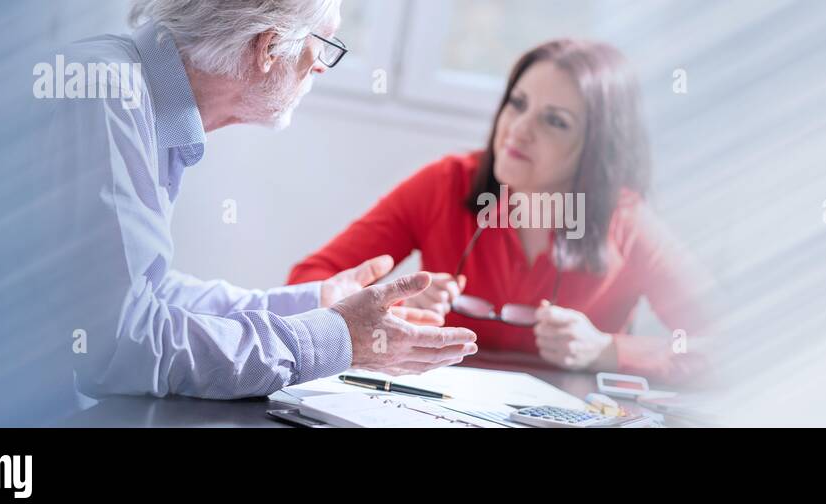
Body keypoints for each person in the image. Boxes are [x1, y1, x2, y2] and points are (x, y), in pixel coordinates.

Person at [48, 0, 477, 399]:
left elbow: (146, 293)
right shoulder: (106, 98)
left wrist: (317, 304)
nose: (322, 68)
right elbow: (122, 345)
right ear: (268, 48)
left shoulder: (134, 93)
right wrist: (337, 338)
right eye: (324, 44)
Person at [289, 39, 712, 381]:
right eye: (518, 103)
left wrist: (608, 350)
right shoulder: (444, 184)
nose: (519, 129)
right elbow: (306, 286)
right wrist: (390, 310)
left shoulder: (628, 222)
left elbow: (731, 348)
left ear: (598, 147)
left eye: (555, 121)